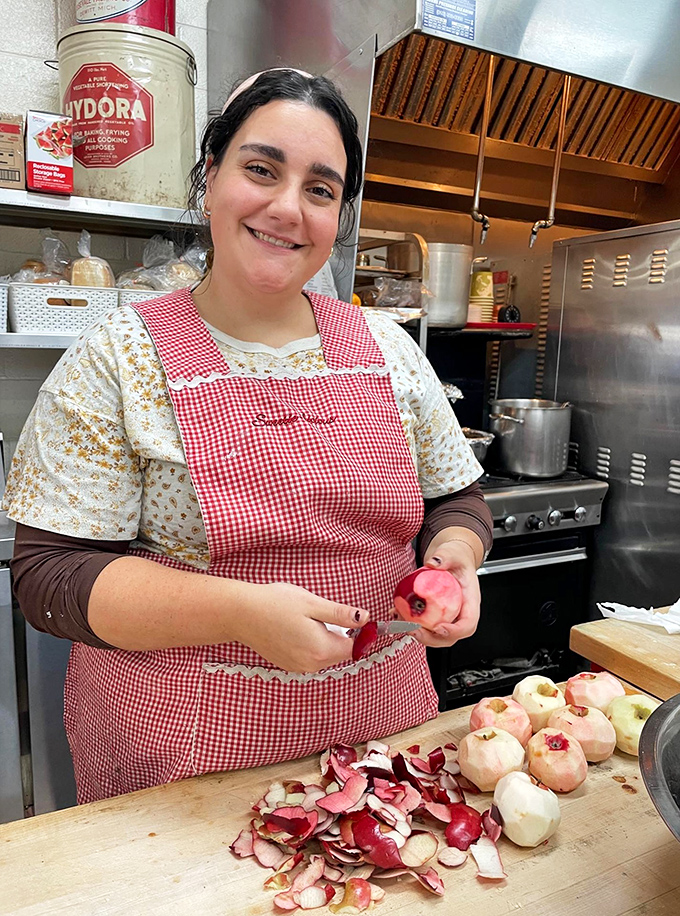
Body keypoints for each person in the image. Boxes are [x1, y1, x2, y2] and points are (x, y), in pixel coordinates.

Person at [3, 69, 493, 804]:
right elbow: (48, 579)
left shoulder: (388, 349)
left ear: (339, 214)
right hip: (182, 758)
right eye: (261, 169)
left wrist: (456, 560)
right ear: (211, 177)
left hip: (382, 737)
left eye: (321, 190)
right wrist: (240, 612)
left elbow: (458, 499)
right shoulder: (117, 355)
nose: (288, 208)